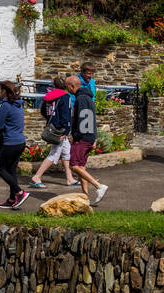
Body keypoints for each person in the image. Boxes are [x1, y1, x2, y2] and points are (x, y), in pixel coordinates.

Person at [67, 74, 108, 205]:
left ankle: (99, 187)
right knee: (81, 167)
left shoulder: (81, 99)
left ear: (73, 86)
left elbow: (85, 119)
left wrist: (77, 137)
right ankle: (85, 197)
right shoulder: (87, 97)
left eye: (68, 86)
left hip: (83, 137)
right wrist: (94, 138)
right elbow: (92, 118)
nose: (67, 89)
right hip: (88, 136)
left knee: (73, 165)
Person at [30, 75, 75, 189]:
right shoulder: (65, 97)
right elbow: (66, 115)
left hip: (53, 127)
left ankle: (69, 178)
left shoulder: (48, 96)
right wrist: (66, 130)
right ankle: (37, 177)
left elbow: (43, 111)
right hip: (60, 130)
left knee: (66, 152)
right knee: (54, 154)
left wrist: (51, 120)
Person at [0, 80, 29, 209]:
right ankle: (11, 199)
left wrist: (0, 137)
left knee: (0, 169)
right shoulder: (18, 104)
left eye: (0, 90)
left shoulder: (5, 105)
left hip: (10, 142)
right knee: (11, 170)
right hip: (20, 141)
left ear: (4, 91)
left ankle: (20, 192)